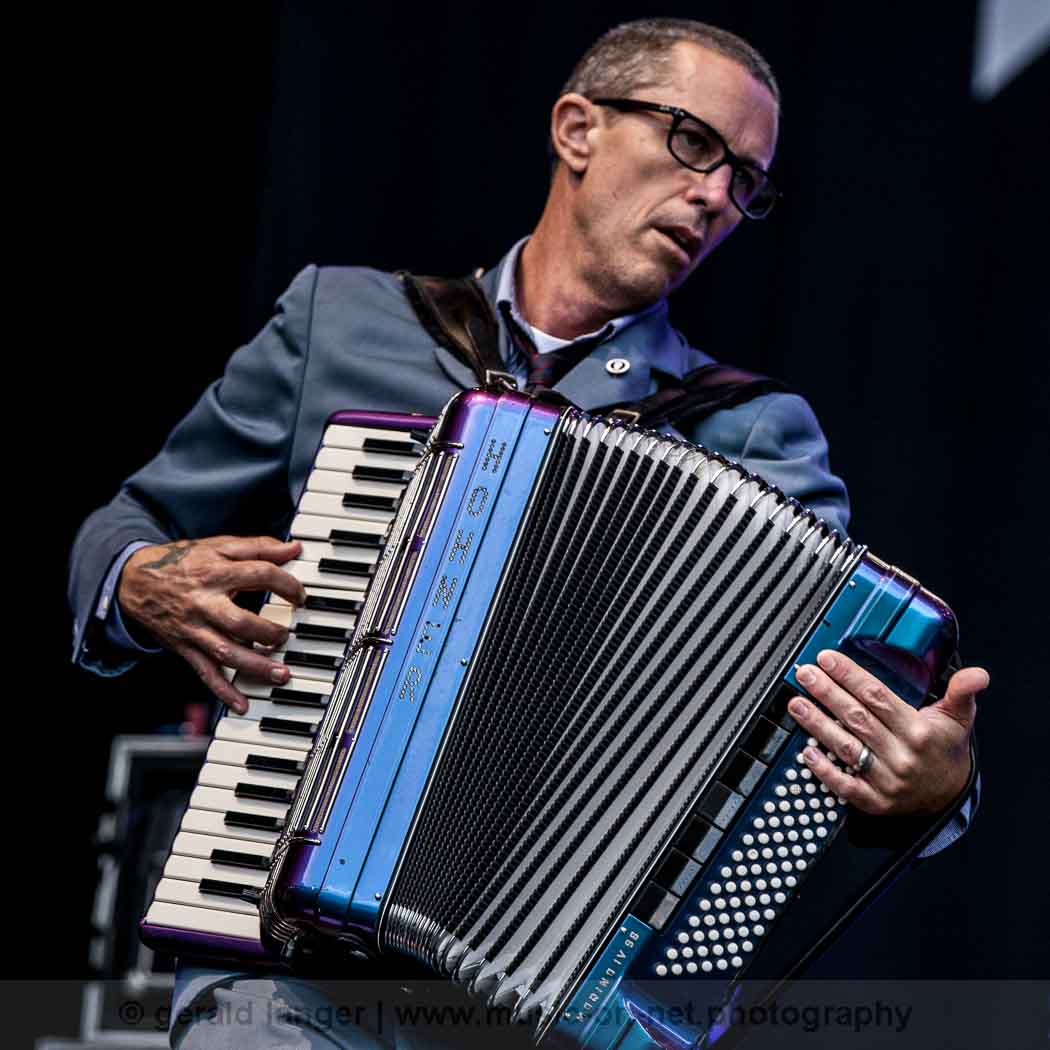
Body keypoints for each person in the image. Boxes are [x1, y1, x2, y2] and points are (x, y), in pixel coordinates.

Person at [68, 18, 987, 1050]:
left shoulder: (753, 433)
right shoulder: (343, 322)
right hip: (288, 966)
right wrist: (138, 578)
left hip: (544, 1010)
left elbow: (829, 727)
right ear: (578, 128)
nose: (718, 197)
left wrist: (932, 787)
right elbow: (132, 523)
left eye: (748, 183)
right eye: (696, 143)